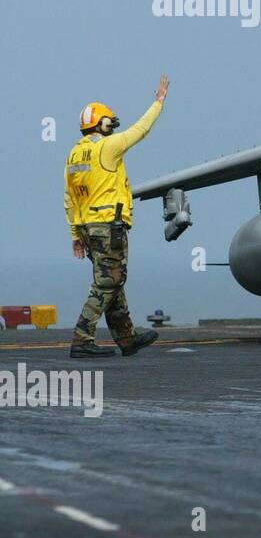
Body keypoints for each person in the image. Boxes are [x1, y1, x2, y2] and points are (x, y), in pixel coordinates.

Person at [64, 75, 170, 359]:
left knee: (113, 279)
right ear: (100, 124)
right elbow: (140, 130)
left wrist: (76, 235)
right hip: (108, 227)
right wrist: (158, 103)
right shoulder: (106, 148)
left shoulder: (75, 154)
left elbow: (69, 198)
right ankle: (82, 338)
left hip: (87, 227)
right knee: (107, 283)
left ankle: (127, 338)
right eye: (109, 122)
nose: (112, 126)